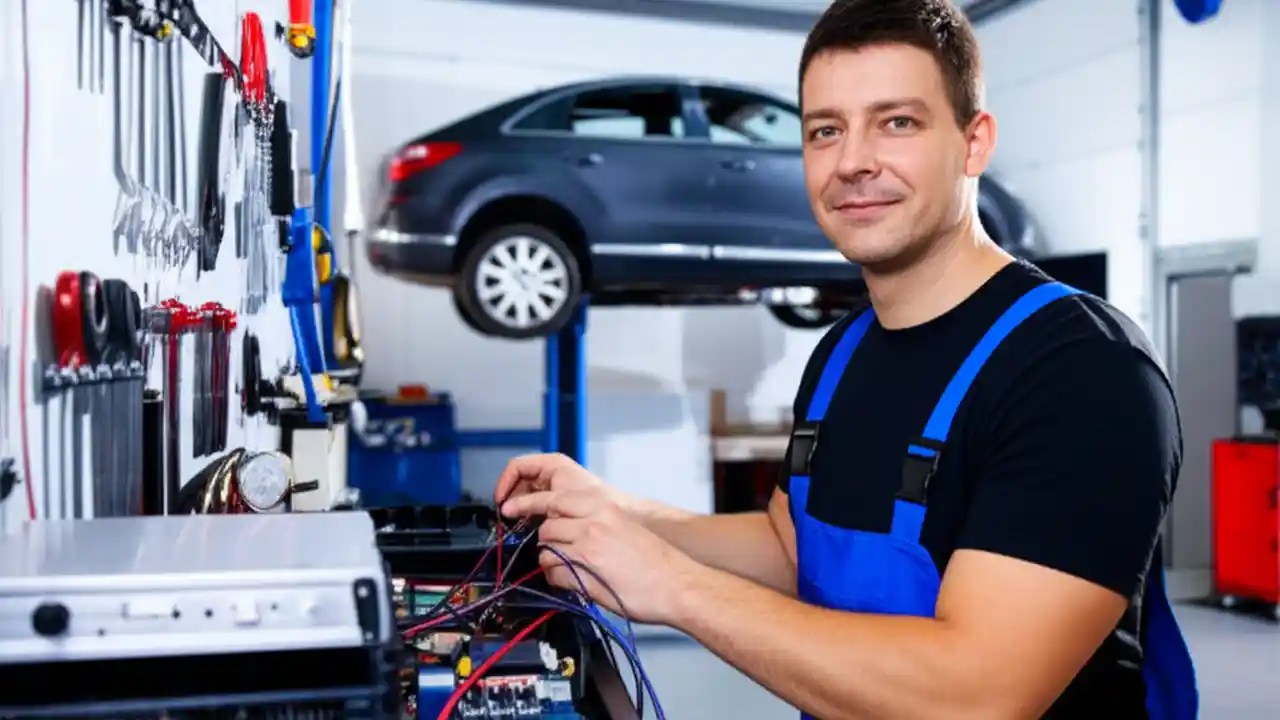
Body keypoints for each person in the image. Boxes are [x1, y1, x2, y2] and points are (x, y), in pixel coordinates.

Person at [495, 0, 1198, 717]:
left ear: (974, 141)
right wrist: (618, 513)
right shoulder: (840, 353)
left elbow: (979, 695)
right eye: (826, 130)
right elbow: (790, 541)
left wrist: (672, 585)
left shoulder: (1082, 372)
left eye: (897, 122)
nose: (854, 161)